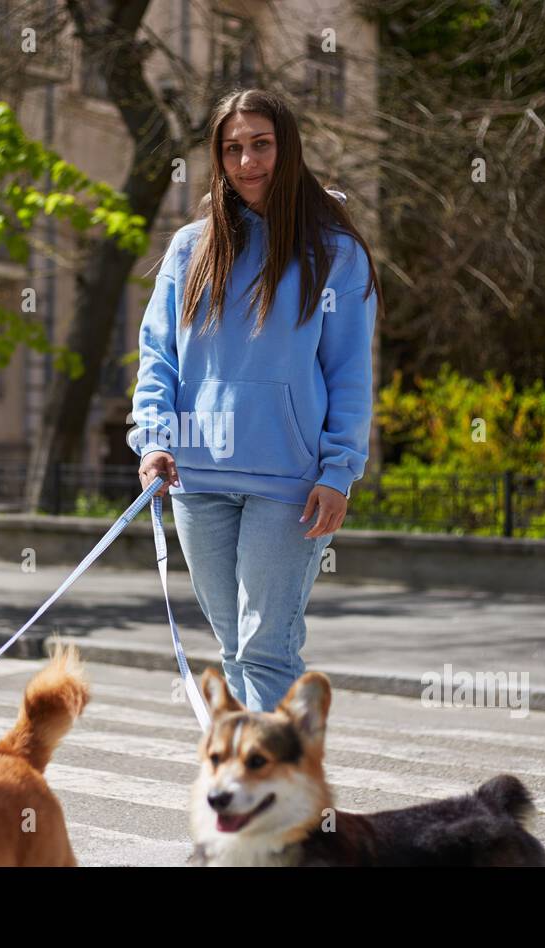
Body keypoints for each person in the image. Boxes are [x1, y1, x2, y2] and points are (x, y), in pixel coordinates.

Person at [127, 88, 383, 712]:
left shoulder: (334, 254)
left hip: (288, 483)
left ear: (287, 148)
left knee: (266, 649)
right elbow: (158, 353)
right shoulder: (191, 249)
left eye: (261, 145)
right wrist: (155, 439)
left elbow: (349, 370)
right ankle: (260, 788)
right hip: (198, 477)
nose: (247, 162)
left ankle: (277, 803)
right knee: (234, 646)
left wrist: (339, 471)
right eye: (232, 149)